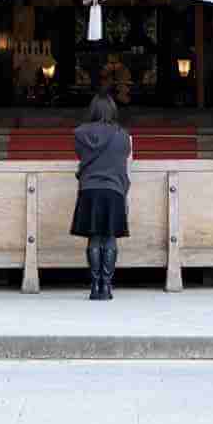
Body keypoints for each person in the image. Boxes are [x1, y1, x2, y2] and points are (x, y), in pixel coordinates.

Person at [71, 91, 131, 300]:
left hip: (89, 188)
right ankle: (107, 286)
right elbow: (123, 162)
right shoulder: (122, 135)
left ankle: (94, 286)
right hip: (114, 189)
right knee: (110, 237)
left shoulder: (80, 134)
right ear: (112, 109)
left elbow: (82, 156)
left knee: (94, 237)